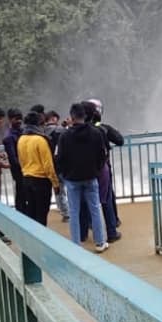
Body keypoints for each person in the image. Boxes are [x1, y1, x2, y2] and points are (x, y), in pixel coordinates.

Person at [56, 102, 109, 252]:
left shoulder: (64, 136)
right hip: (91, 178)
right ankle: (100, 243)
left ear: (72, 117)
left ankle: (76, 245)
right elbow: (102, 155)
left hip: (72, 180)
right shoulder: (96, 133)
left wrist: (64, 174)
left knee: (74, 211)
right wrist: (96, 171)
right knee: (95, 209)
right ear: (85, 116)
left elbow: (60, 159)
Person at [78, 99, 124, 243]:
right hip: (101, 169)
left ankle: (83, 233)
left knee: (83, 202)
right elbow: (120, 140)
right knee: (106, 200)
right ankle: (111, 231)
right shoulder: (103, 129)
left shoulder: (74, 130)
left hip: (81, 171)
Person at [17, 111, 59, 226]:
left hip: (26, 179)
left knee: (31, 212)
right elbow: (48, 165)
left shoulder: (21, 139)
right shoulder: (40, 140)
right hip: (41, 181)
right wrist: (55, 183)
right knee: (42, 213)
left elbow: (21, 160)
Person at [44, 110, 69, 221]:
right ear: (54, 118)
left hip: (50, 165)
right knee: (71, 189)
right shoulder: (61, 131)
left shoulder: (42, 132)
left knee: (58, 189)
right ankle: (70, 212)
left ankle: (64, 211)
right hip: (63, 164)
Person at [3, 108, 26, 214]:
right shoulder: (9, 137)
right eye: (16, 119)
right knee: (21, 192)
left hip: (26, 168)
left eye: (20, 119)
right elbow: (13, 158)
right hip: (19, 170)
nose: (19, 121)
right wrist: (24, 167)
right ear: (10, 120)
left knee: (25, 192)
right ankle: (20, 213)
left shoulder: (23, 132)